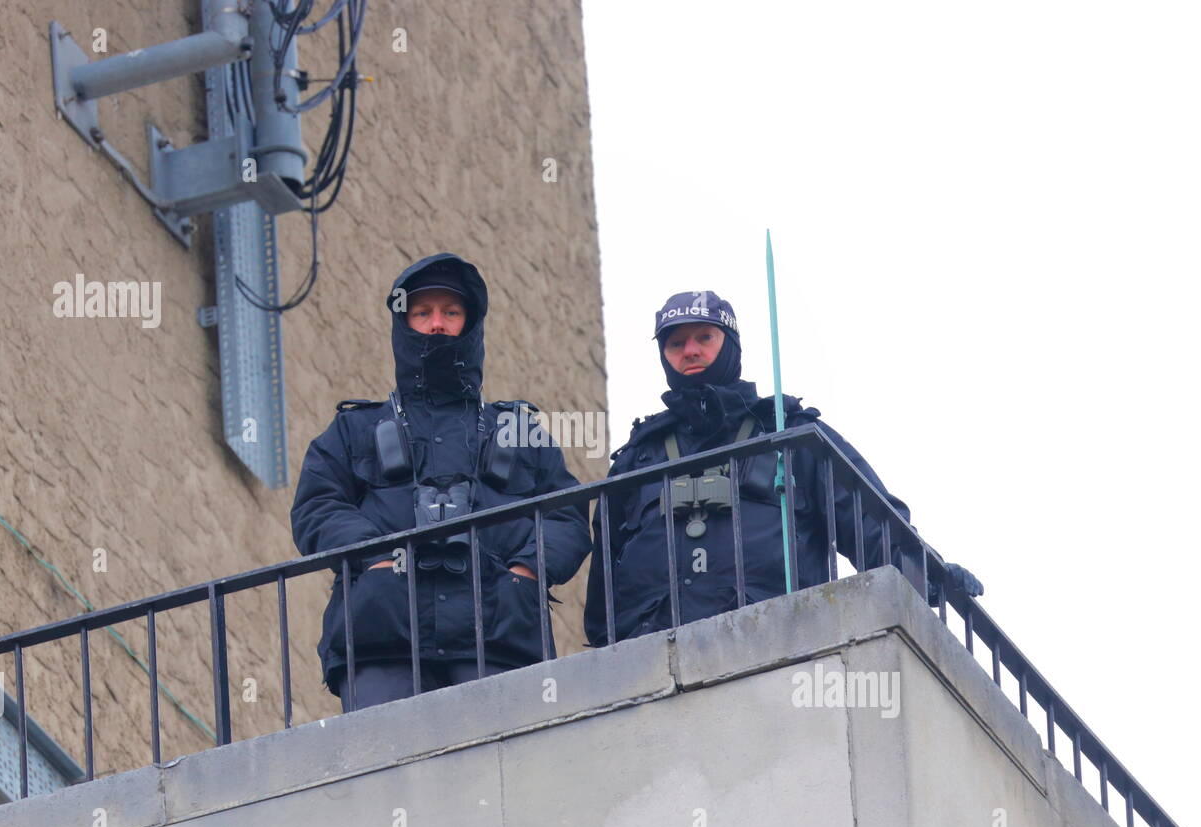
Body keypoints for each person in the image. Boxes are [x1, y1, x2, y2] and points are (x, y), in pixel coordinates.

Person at [583, 290, 981, 646]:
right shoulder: (638, 458)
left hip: (778, 643)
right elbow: (604, 576)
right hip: (651, 654)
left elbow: (866, 518)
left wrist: (927, 573)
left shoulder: (789, 433)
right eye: (676, 343)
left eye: (704, 338)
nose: (690, 351)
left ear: (730, 345)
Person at [291, 253, 591, 708]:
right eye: (423, 312)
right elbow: (316, 508)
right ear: (404, 322)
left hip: (499, 635)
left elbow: (567, 517)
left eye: (451, 312)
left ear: (470, 323)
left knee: (504, 767)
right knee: (389, 770)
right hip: (383, 639)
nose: (437, 324)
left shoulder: (519, 431)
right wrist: (376, 559)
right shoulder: (354, 430)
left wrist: (525, 571)